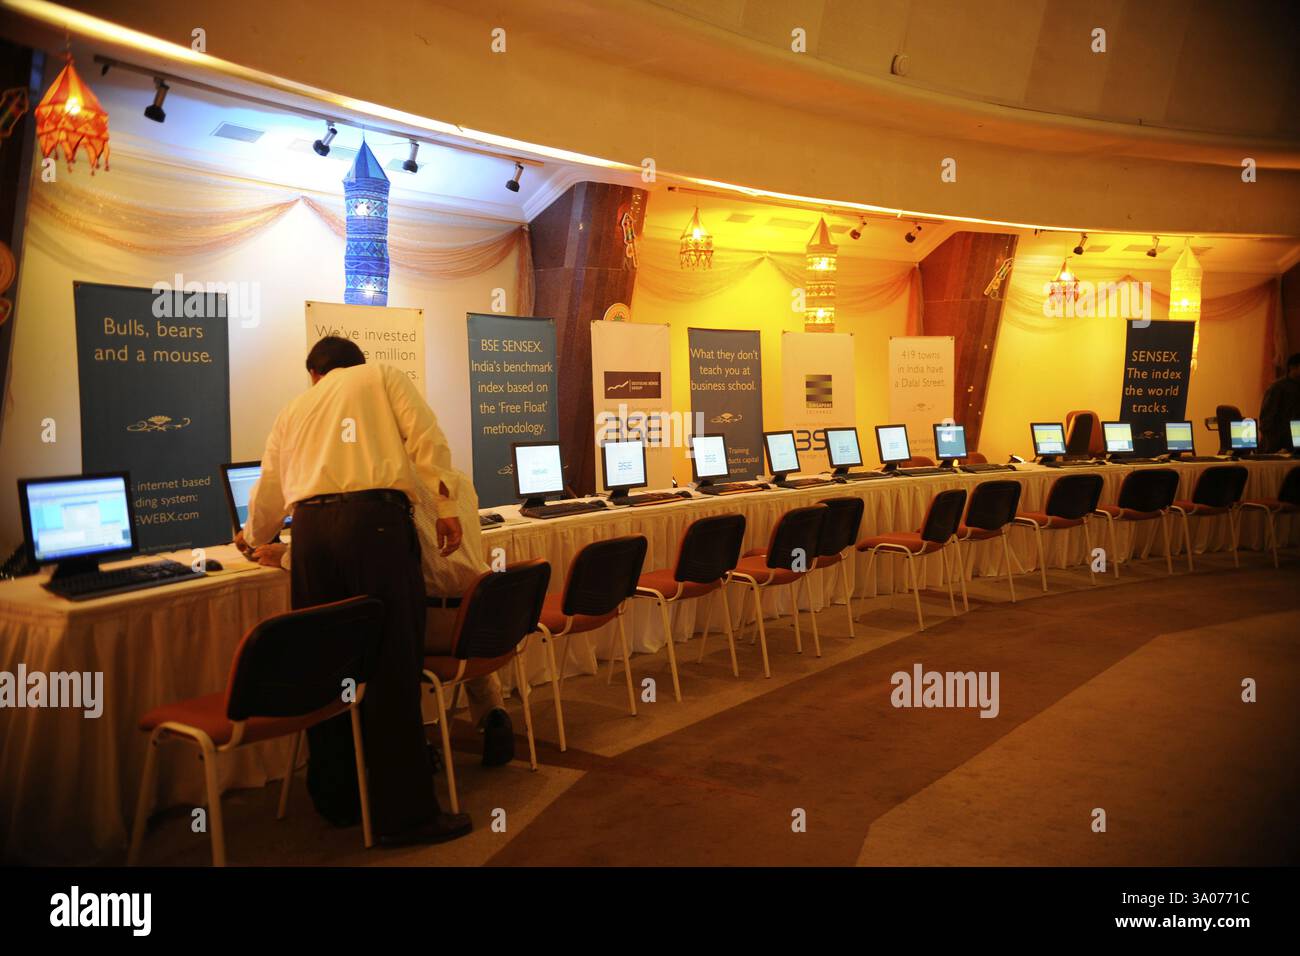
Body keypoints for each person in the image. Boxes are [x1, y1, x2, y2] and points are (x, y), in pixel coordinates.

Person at [238, 335, 470, 847]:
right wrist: (447, 508)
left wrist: (253, 537)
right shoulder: (383, 376)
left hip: (313, 535)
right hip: (375, 527)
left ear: (314, 374)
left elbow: (270, 484)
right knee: (390, 665)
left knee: (327, 664)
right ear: (356, 364)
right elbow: (428, 442)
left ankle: (339, 799)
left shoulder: (294, 408)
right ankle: (404, 816)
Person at [251, 469, 517, 766]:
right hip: (480, 618)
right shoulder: (458, 477)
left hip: (431, 622)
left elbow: (356, 558)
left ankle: (408, 744)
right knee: (460, 612)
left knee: (382, 631)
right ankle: (495, 715)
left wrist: (287, 556)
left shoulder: (390, 494)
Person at [1259, 352, 1300, 452]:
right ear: (1292, 367)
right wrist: (1273, 444)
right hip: (1279, 445)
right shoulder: (1278, 387)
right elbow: (1267, 419)